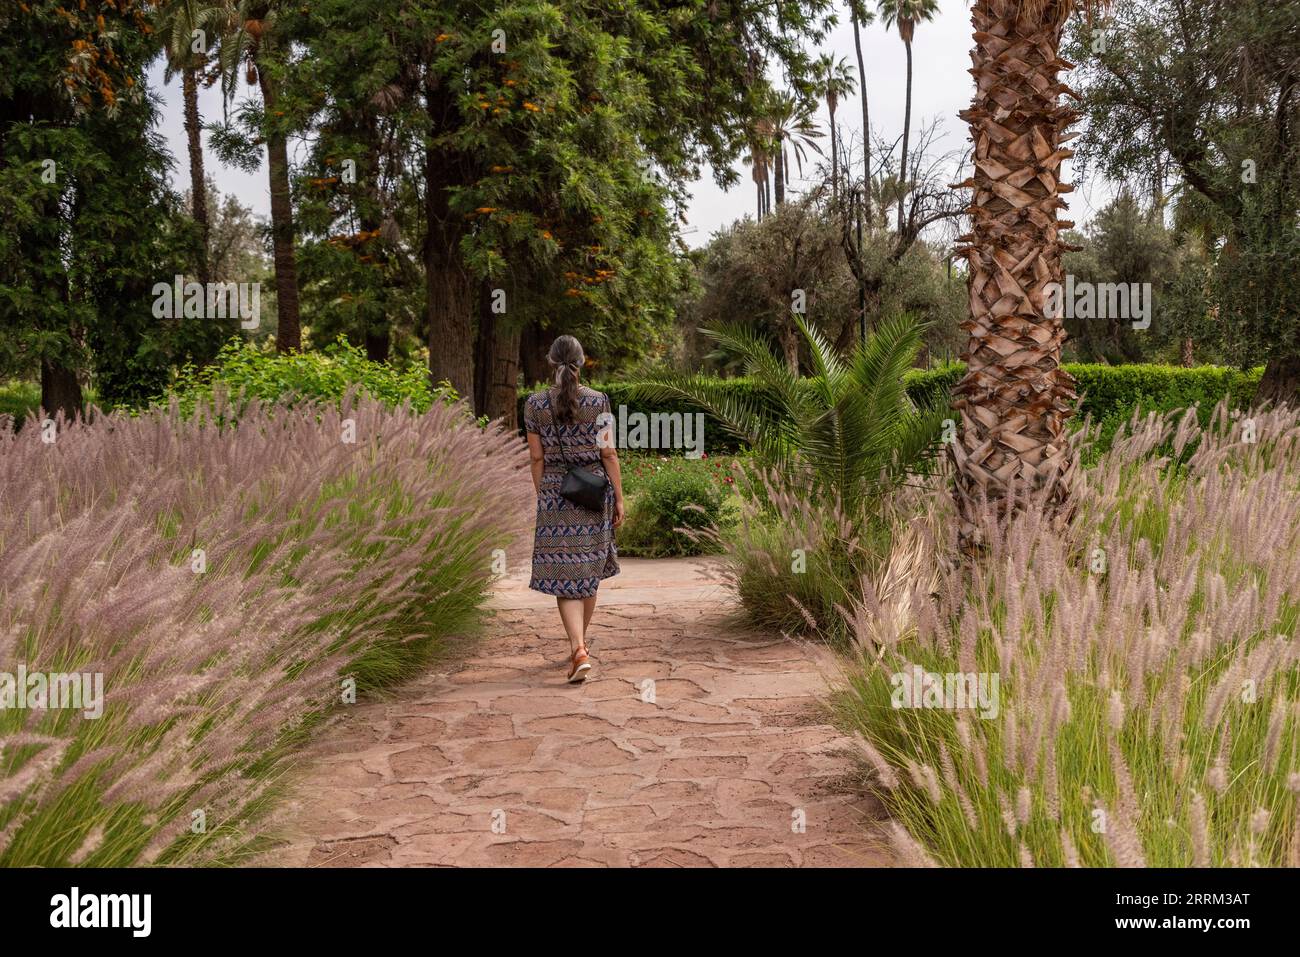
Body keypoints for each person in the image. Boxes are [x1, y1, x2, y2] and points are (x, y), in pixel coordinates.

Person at [523, 335, 624, 682]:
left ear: (551, 363)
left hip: (555, 493)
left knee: (567, 579)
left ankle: (578, 648)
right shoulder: (599, 402)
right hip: (594, 493)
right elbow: (608, 453)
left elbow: (537, 457)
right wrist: (620, 499)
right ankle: (578, 647)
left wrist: (544, 495)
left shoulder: (534, 405)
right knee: (588, 572)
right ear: (582, 363)